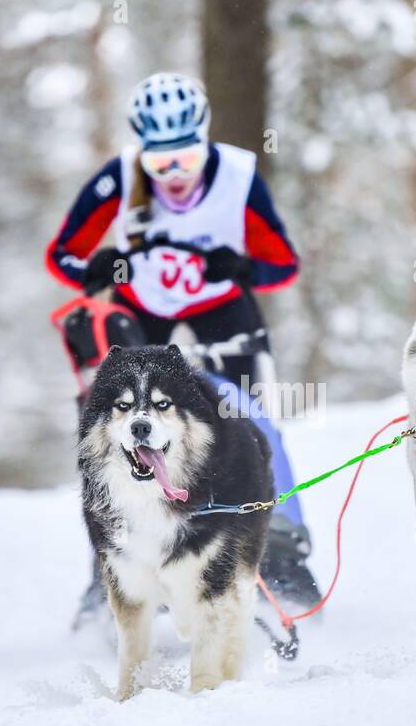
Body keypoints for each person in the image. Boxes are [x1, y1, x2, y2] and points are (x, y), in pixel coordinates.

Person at [47, 72, 319, 634]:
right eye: (159, 161)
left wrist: (242, 267)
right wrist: (93, 268)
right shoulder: (119, 178)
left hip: (221, 307)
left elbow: (283, 263)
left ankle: (280, 553)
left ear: (205, 141)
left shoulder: (239, 175)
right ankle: (113, 568)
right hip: (143, 308)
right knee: (124, 433)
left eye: (186, 158)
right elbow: (62, 255)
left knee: (248, 420)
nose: (173, 173)